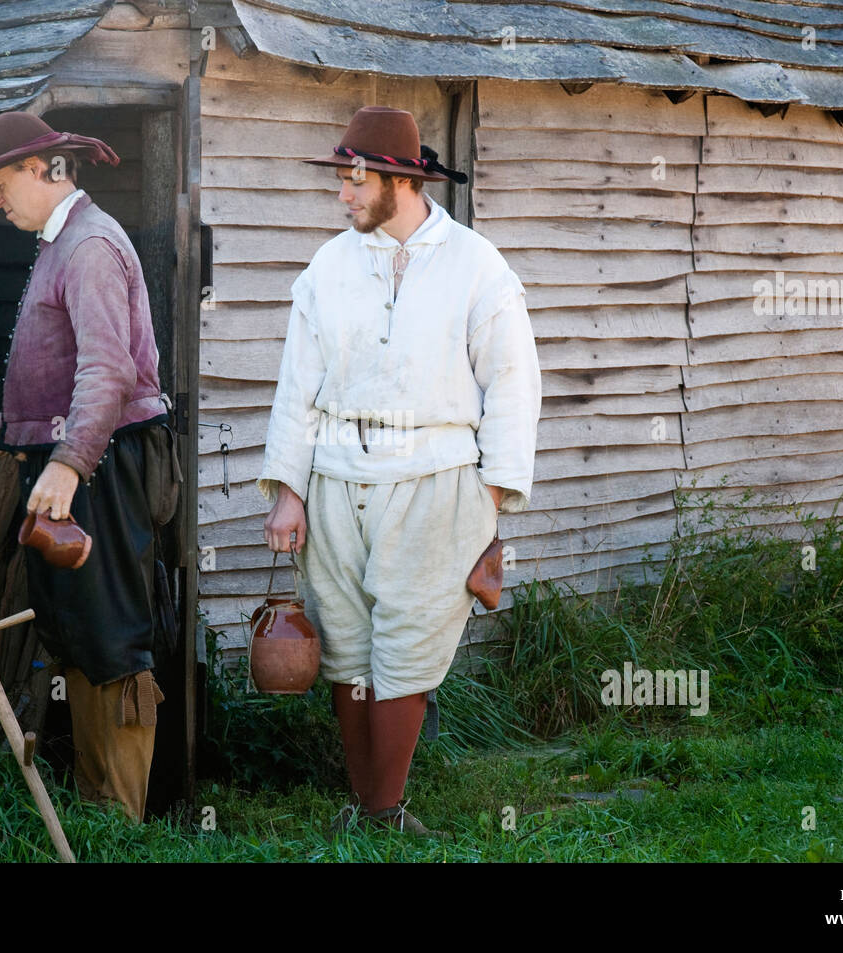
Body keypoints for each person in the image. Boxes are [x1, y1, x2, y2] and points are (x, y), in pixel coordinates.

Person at [258, 106, 542, 836]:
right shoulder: (328, 267)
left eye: (354, 181)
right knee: (347, 646)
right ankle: (371, 805)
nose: (344, 196)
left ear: (396, 180)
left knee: (407, 644)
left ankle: (384, 810)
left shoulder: (477, 265)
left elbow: (513, 382)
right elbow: (298, 384)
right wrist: (289, 492)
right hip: (336, 479)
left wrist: (486, 501)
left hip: (436, 479)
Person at [0, 111, 169, 822]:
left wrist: (72, 463)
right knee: (77, 633)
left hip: (108, 461)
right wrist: (7, 427)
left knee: (110, 637)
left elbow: (108, 371)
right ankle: (97, 804)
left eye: (0, 181)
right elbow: (61, 366)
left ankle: (125, 819)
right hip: (80, 458)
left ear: (47, 169)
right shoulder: (59, 243)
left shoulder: (90, 245)